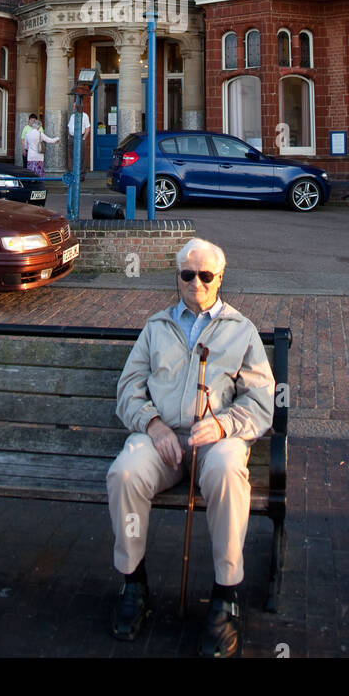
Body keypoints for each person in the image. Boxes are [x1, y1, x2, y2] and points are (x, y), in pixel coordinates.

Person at [106, 237, 275, 657]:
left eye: (205, 275)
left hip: (217, 439)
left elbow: (260, 399)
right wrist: (154, 425)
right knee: (124, 473)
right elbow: (128, 388)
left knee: (226, 472)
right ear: (177, 277)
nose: (196, 282)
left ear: (220, 279)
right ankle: (133, 581)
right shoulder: (156, 327)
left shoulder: (242, 331)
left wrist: (223, 425)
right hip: (162, 438)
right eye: (187, 274)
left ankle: (225, 593)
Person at [22, 112, 58, 178]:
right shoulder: (40, 134)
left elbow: (26, 146)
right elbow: (50, 140)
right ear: (38, 126)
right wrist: (57, 138)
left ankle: (31, 184)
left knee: (30, 174)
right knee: (39, 174)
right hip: (39, 156)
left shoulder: (27, 134)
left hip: (30, 156)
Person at [67, 105, 90, 180]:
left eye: (74, 107)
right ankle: (73, 173)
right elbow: (69, 127)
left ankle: (81, 175)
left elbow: (87, 128)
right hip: (71, 137)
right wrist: (69, 136)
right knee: (71, 155)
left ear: (78, 108)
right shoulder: (72, 116)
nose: (73, 108)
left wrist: (83, 138)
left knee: (81, 156)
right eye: (73, 107)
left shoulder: (85, 116)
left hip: (80, 137)